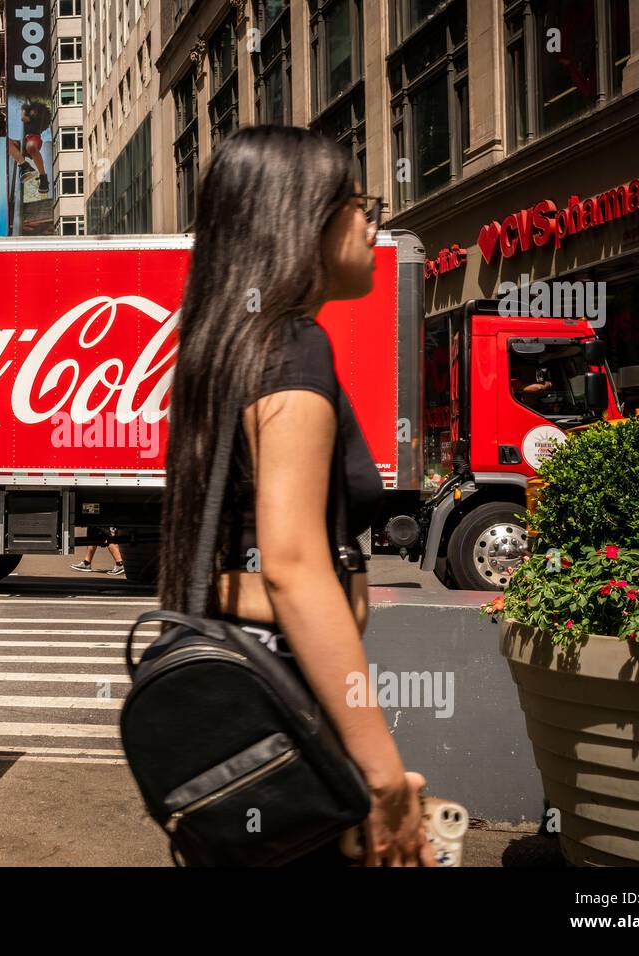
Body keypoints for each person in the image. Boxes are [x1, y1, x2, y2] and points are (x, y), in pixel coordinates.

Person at [159, 125, 435, 867]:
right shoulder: (290, 345)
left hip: (242, 722)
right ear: (300, 216)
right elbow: (292, 562)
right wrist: (380, 775)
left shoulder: (224, 344)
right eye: (359, 204)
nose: (374, 223)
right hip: (288, 712)